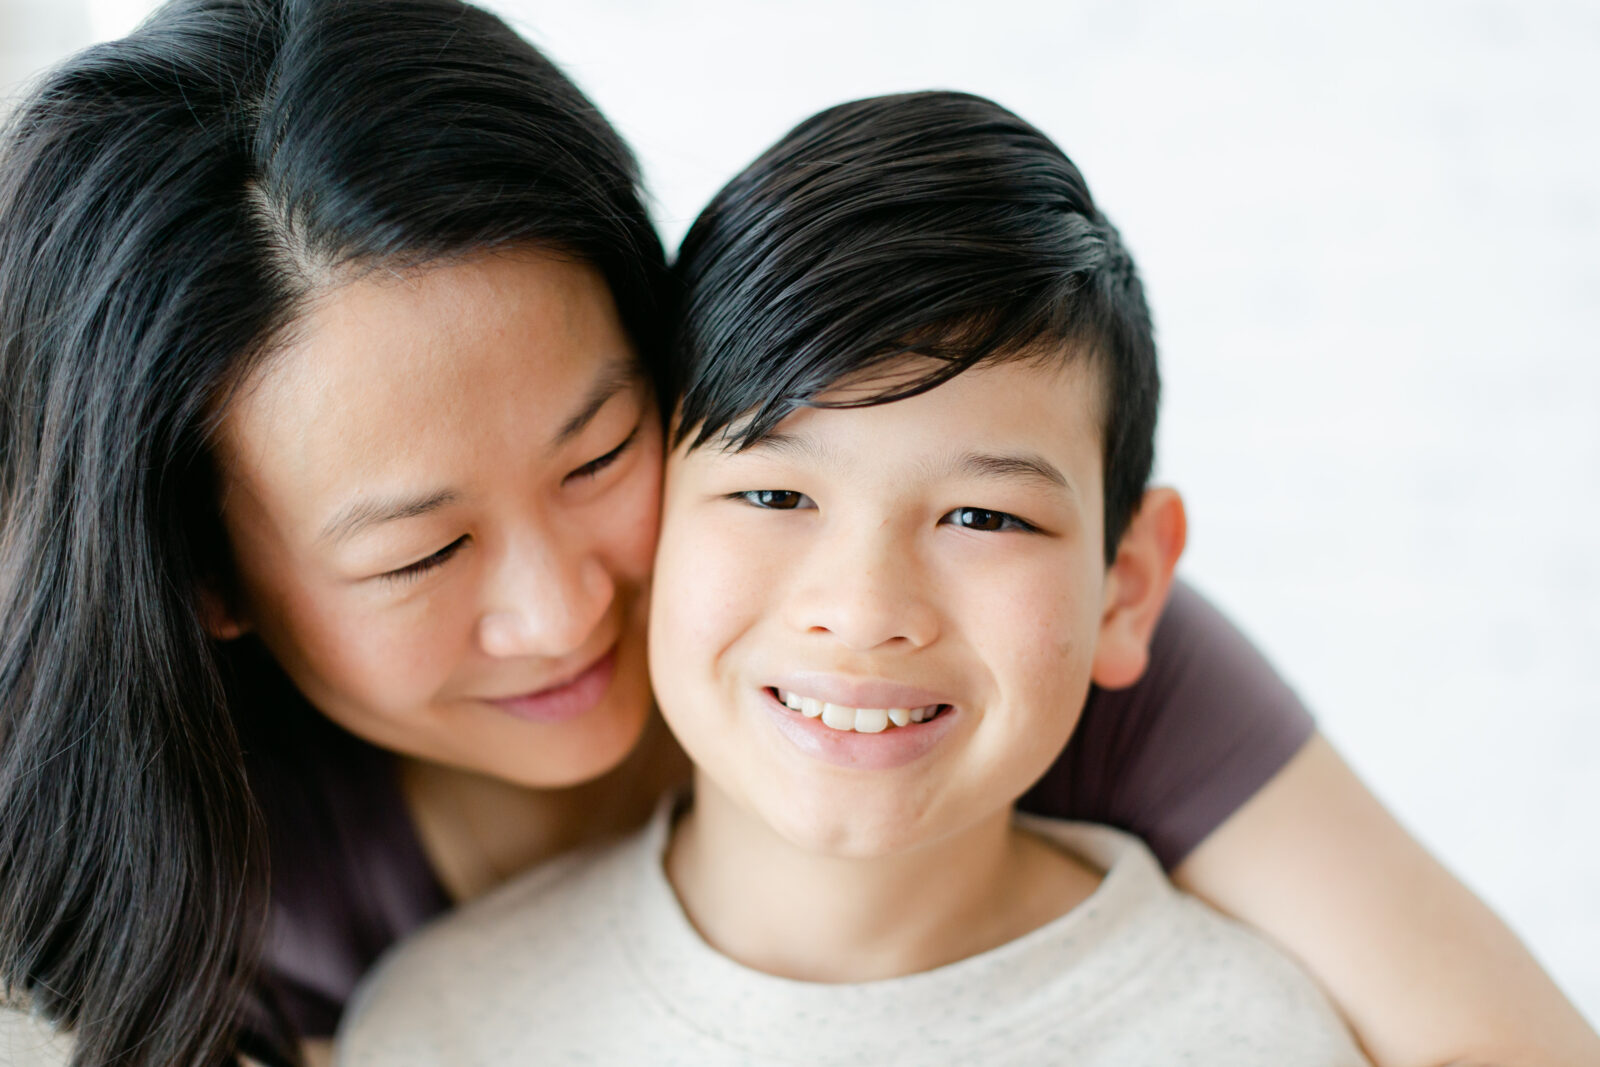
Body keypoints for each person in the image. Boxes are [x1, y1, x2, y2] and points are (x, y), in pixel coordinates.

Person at [0, 1, 1592, 1065]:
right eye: (418, 554)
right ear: (205, 577)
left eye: (604, 450)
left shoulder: (1013, 642)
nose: (563, 607)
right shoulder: (228, 907)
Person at [335, 89, 1370, 1065]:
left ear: (1127, 584)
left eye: (983, 516)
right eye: (776, 498)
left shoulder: (1248, 1032)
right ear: (654, 511)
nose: (864, 611)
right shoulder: (445, 1022)